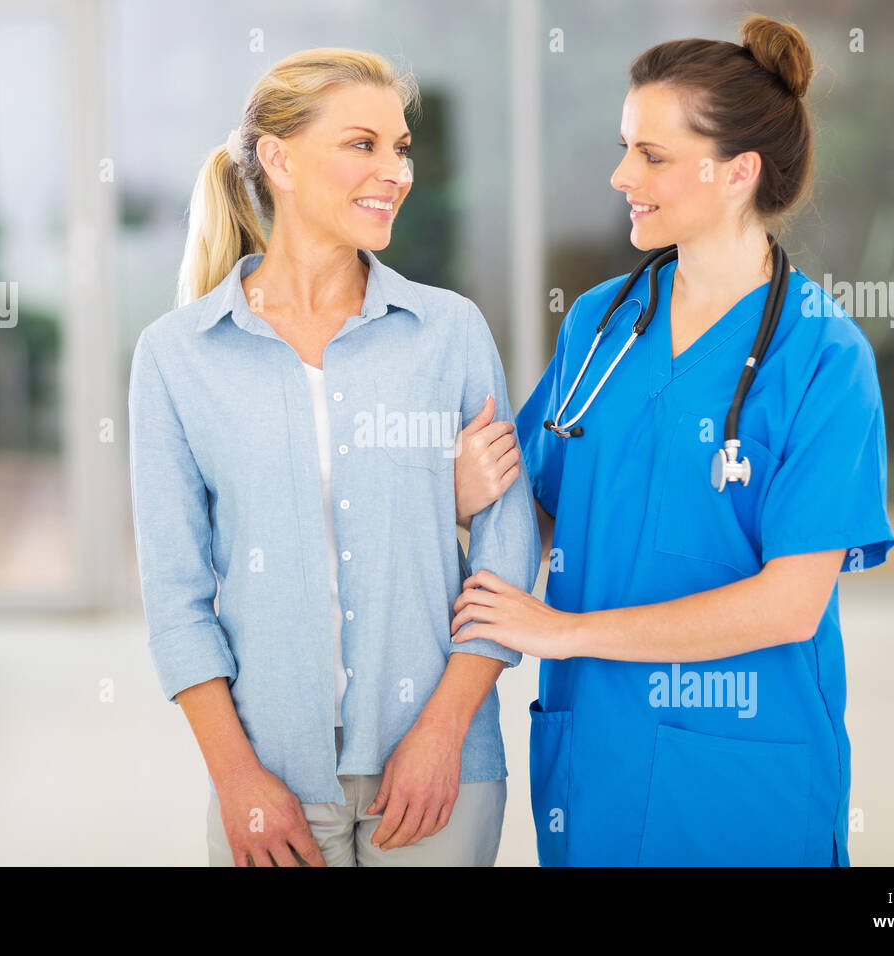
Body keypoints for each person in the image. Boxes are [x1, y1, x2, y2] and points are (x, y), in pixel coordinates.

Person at [451, 16, 894, 866]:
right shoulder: (603, 323)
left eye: (652, 156)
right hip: (597, 750)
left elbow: (789, 603)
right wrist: (468, 495)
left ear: (737, 173)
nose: (622, 176)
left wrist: (568, 631)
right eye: (626, 147)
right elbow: (536, 507)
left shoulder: (824, 355)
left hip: (746, 763)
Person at [127, 47, 539, 867]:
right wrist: (236, 774)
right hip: (268, 777)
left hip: (438, 769)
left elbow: (506, 548)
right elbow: (175, 595)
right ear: (276, 159)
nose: (395, 170)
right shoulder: (176, 356)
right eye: (363, 144)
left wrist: (445, 728)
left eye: (402, 148)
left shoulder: (448, 331)